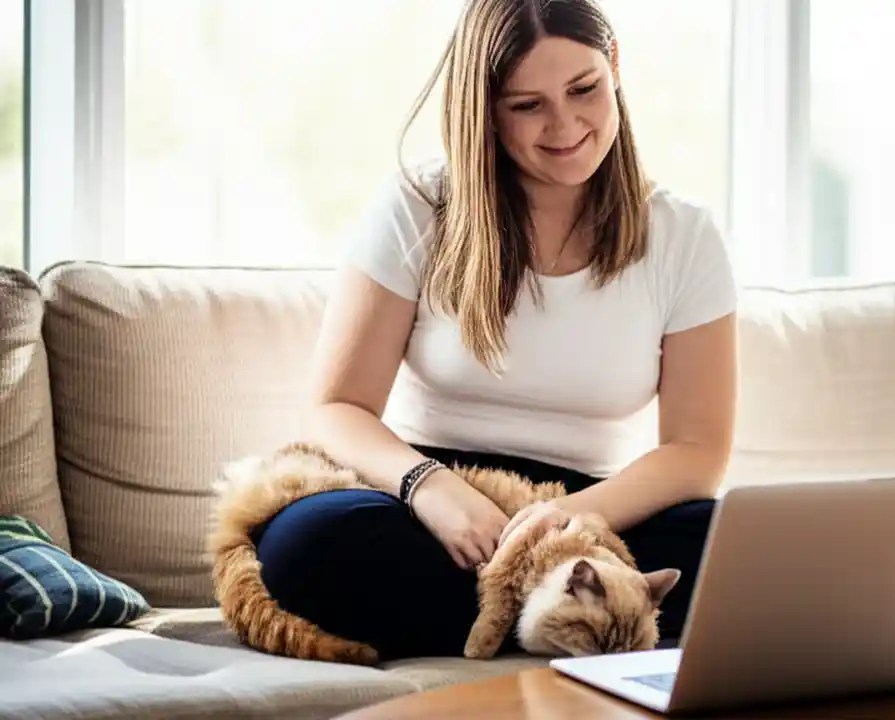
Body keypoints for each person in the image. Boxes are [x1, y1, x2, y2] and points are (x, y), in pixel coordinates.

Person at [251, 0, 737, 661]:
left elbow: (697, 449)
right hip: (431, 502)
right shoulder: (419, 207)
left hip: (590, 517)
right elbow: (337, 407)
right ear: (485, 110)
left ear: (614, 65)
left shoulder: (685, 236)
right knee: (309, 545)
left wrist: (574, 518)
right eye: (526, 105)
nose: (564, 125)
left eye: (583, 89)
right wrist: (432, 488)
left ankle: (548, 614)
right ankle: (575, 626)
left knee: (735, 548)